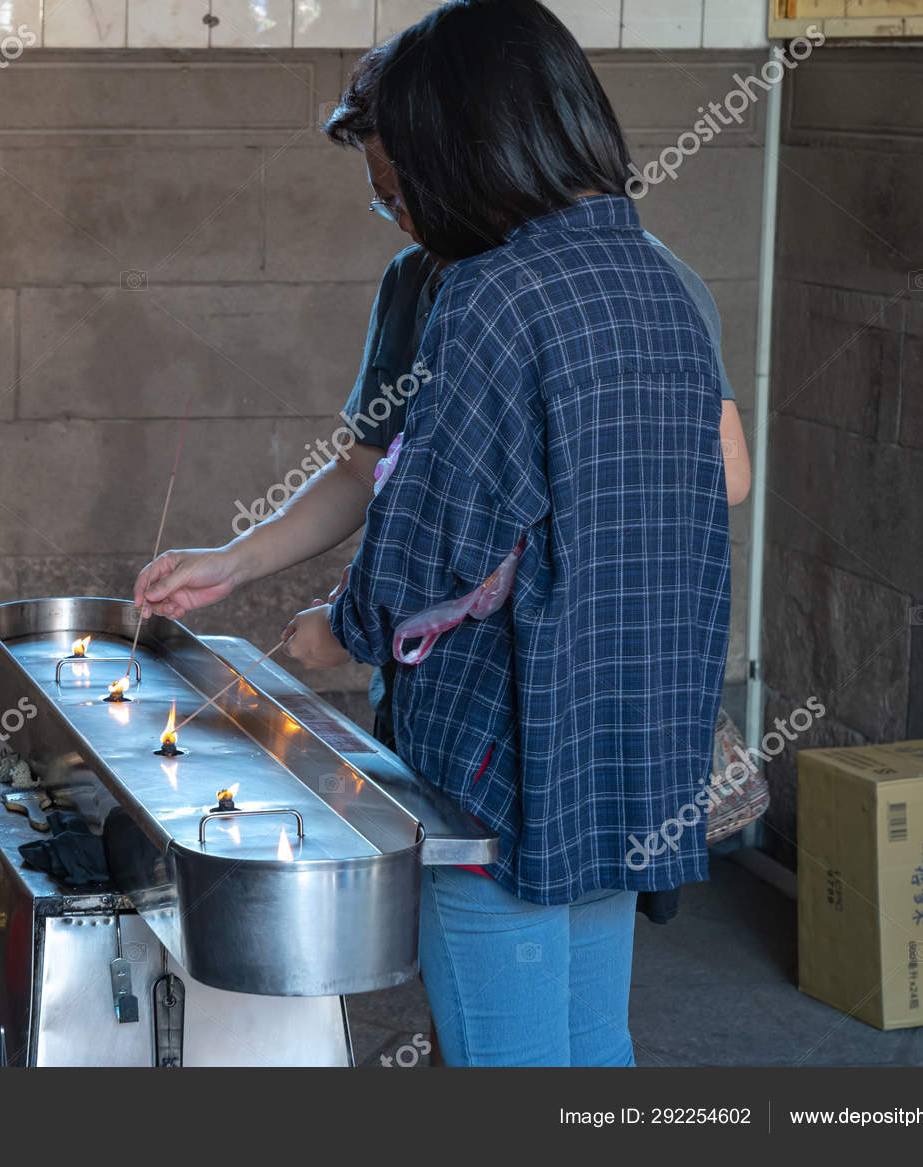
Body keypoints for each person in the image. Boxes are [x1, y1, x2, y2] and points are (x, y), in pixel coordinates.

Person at [135, 0, 742, 1065]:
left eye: (400, 189)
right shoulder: (661, 282)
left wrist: (341, 630)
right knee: (593, 1041)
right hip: (633, 745)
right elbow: (701, 485)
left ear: (471, 156)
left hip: (499, 754)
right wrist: (234, 561)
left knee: (502, 1057)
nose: (397, 216)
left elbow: (436, 537)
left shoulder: (490, 295)